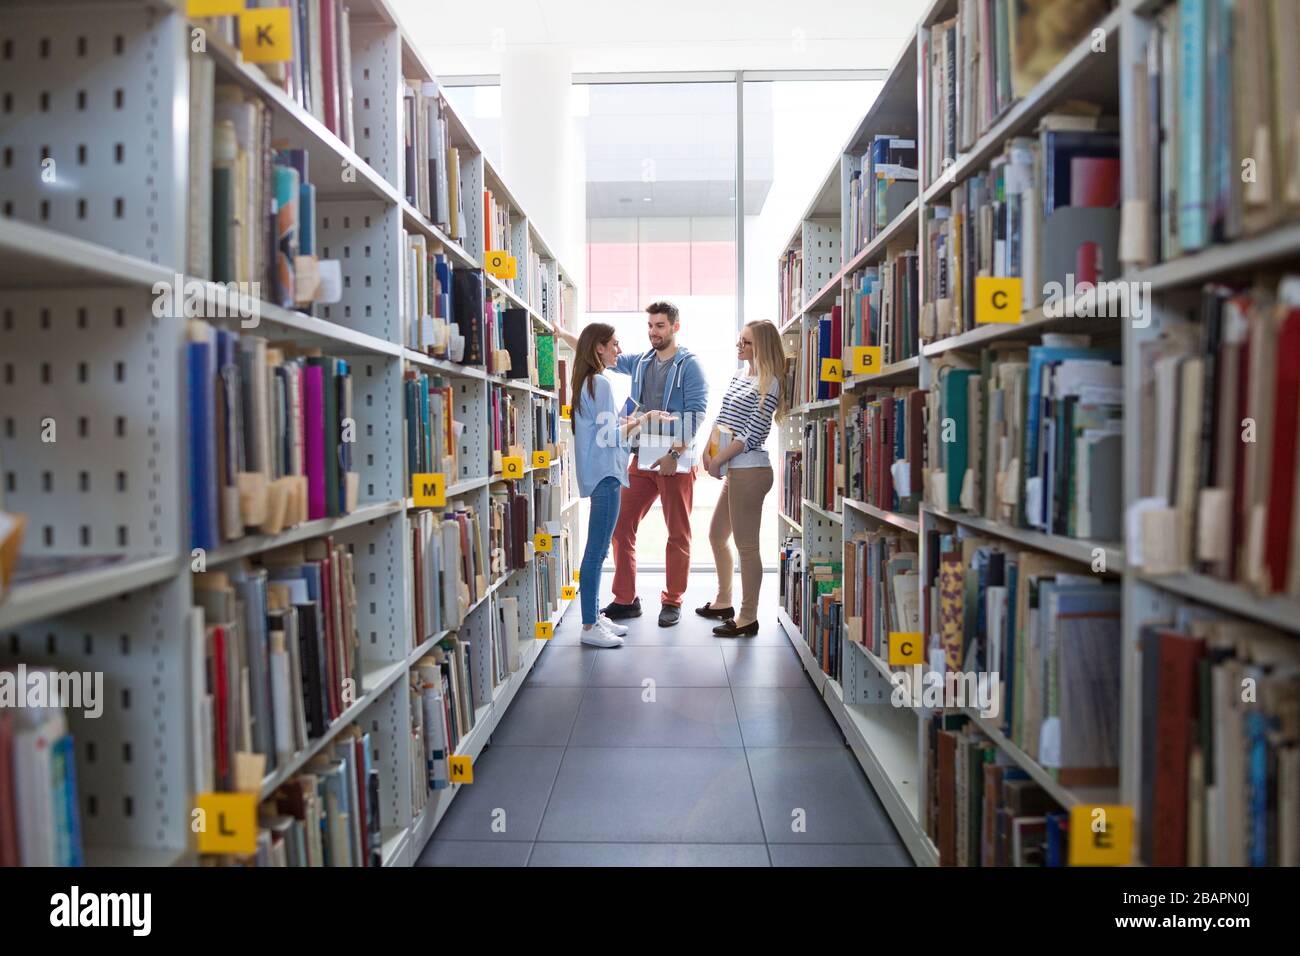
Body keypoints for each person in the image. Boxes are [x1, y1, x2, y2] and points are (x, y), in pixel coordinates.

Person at [556, 301, 708, 627]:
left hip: (673, 460)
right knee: (621, 525)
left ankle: (673, 600)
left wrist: (675, 455)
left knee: (677, 533)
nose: (653, 332)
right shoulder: (641, 362)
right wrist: (562, 333)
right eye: (650, 326)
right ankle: (626, 599)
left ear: (675, 327)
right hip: (641, 457)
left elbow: (697, 414)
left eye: (660, 326)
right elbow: (592, 352)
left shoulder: (689, 365)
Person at [569, 322, 675, 647]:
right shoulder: (599, 384)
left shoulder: (589, 382)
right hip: (606, 477)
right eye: (614, 343)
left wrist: (626, 421)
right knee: (596, 553)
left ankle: (593, 617)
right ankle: (589, 626)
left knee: (599, 551)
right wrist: (642, 421)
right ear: (598, 348)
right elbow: (608, 437)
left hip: (601, 475)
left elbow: (603, 429)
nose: (619, 349)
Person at [695, 320, 789, 637]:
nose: (740, 346)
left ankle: (748, 617)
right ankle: (724, 601)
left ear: (760, 346)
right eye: (739, 341)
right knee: (716, 534)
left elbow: (753, 433)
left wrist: (720, 458)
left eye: (746, 342)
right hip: (736, 470)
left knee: (746, 547)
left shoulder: (771, 381)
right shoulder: (738, 376)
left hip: (751, 471)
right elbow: (722, 419)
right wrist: (707, 452)